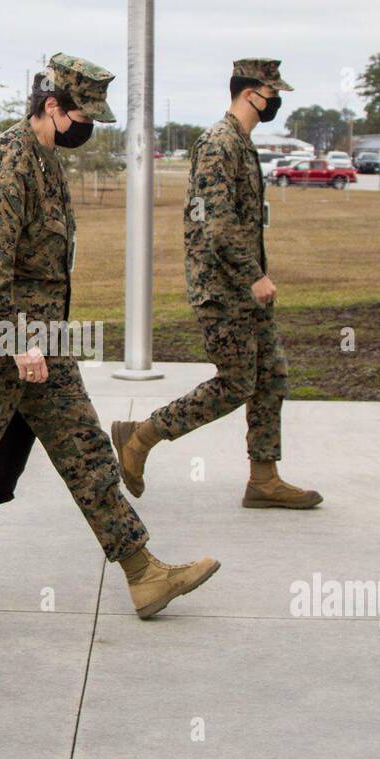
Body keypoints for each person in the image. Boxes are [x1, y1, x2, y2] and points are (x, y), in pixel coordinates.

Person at [0, 53, 219, 621]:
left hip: (45, 347)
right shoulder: (11, 165)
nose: (87, 128)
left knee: (87, 453)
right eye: (82, 115)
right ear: (51, 107)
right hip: (3, 351)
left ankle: (144, 573)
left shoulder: (45, 160)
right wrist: (20, 341)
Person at [113, 59, 323, 510]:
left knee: (272, 376)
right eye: (272, 93)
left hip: (244, 290)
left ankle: (264, 478)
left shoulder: (241, 143)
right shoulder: (218, 143)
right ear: (251, 93)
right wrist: (254, 275)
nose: (276, 102)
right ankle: (141, 436)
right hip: (223, 289)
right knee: (235, 383)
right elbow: (217, 225)